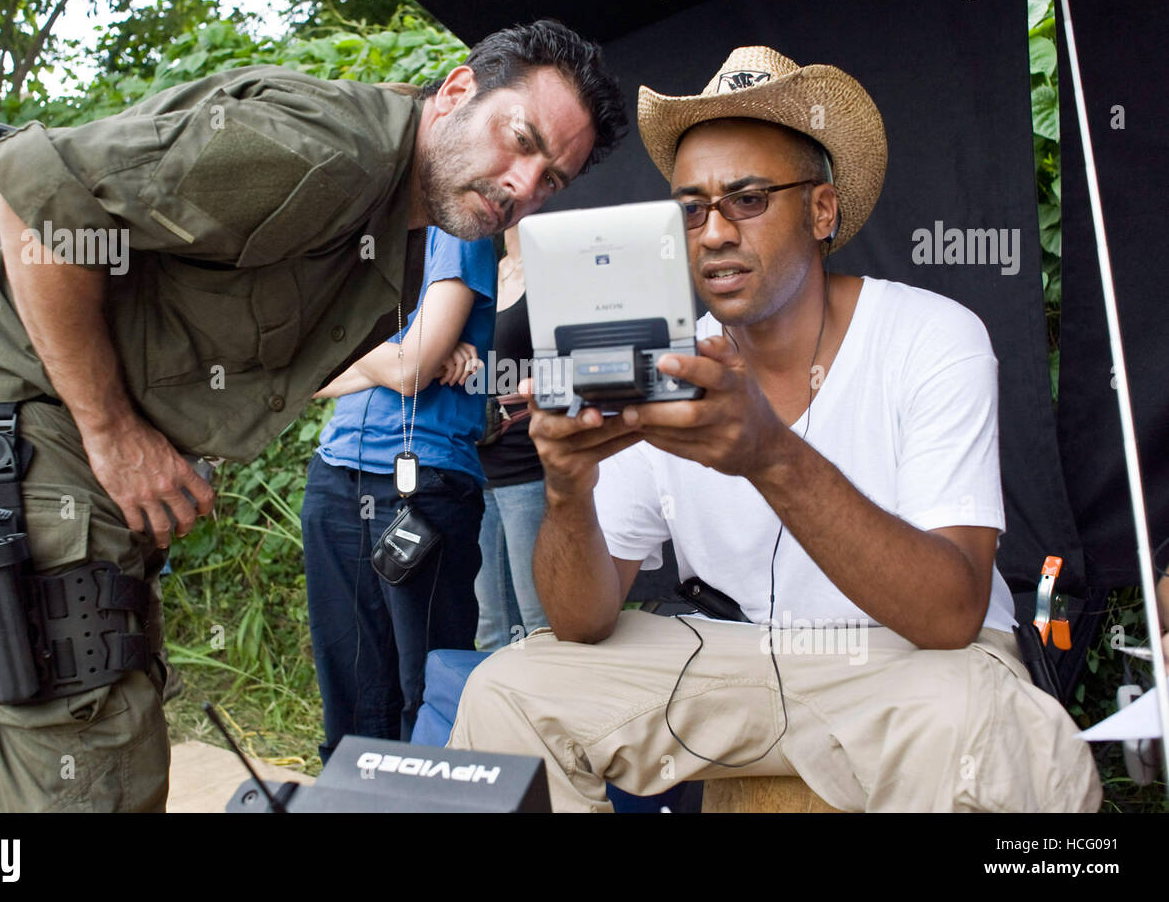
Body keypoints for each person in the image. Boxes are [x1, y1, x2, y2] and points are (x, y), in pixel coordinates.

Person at [0, 18, 626, 811]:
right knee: (91, 762)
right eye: (519, 139)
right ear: (455, 91)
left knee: (74, 744)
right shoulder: (320, 151)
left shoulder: (401, 230)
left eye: (552, 178)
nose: (522, 184)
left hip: (59, 451)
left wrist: (162, 432)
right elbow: (37, 199)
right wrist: (113, 432)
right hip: (17, 437)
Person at [448, 46, 1102, 812]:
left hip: (906, 667)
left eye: (747, 199)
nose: (714, 231)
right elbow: (581, 620)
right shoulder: (667, 363)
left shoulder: (931, 336)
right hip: (737, 658)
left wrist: (770, 455)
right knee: (510, 689)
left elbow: (951, 616)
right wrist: (567, 489)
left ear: (822, 210)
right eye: (690, 208)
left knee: (991, 730)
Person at [302, 225, 495, 759]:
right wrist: (401, 356)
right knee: (348, 677)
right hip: (334, 473)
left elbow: (408, 371)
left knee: (428, 682)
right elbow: (308, 375)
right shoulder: (365, 235)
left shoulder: (461, 229)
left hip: (425, 480)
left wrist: (356, 347)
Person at [472, 224, 548, 650]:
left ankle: (551, 715)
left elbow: (573, 363)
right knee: (489, 624)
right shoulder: (483, 272)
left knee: (538, 620)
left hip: (528, 468)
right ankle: (495, 716)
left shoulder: (552, 274)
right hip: (475, 466)